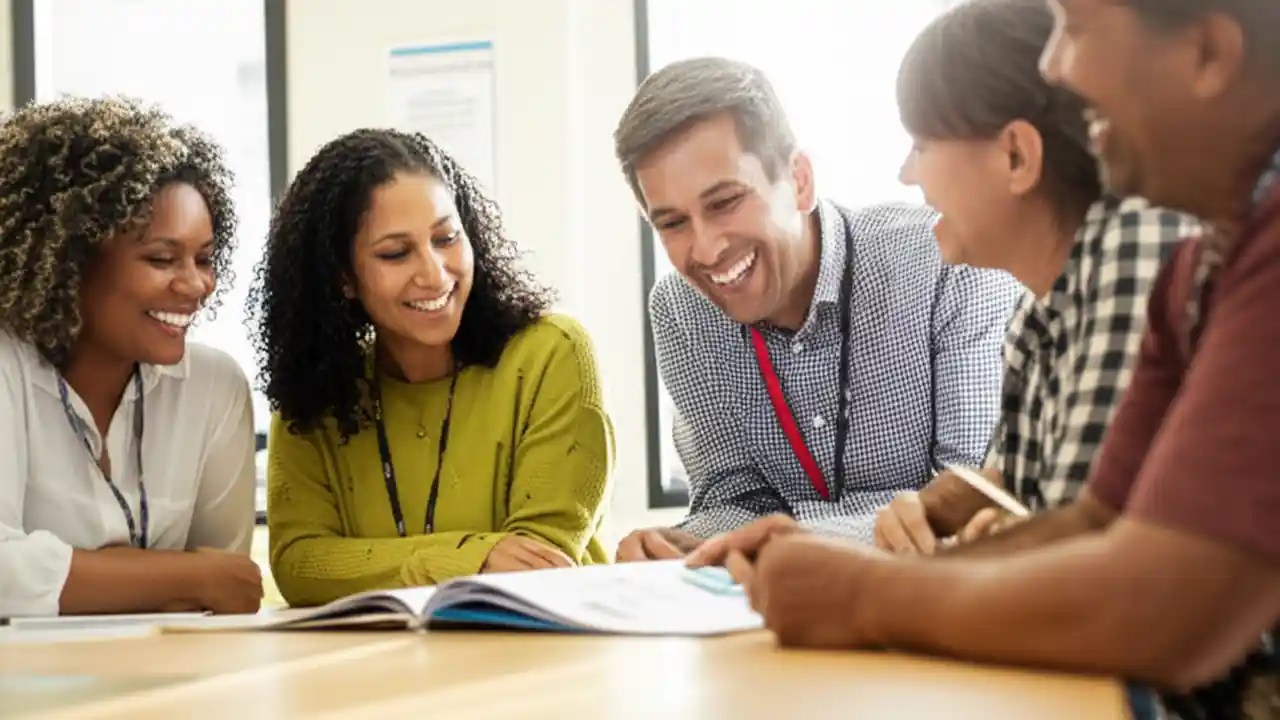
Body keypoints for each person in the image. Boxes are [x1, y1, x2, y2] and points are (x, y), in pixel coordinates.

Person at [689, 0, 1280, 716]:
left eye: (1077, 30)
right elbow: (1093, 525)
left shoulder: (1179, 243)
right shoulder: (1204, 259)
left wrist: (860, 593)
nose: (1054, 63)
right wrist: (857, 568)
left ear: (1208, 54)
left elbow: (1162, 605)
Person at [613, 57, 1023, 561]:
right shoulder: (680, 312)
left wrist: (782, 539)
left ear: (800, 180)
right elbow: (732, 497)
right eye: (673, 223)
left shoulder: (948, 259)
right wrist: (690, 542)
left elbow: (962, 499)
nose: (705, 248)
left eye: (724, 202)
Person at [873, 0, 1196, 554]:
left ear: (1017, 156)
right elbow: (1034, 515)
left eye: (922, 145)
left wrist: (855, 583)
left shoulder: (1139, 241)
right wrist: (952, 507)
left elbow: (1078, 567)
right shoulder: (1034, 319)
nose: (907, 174)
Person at [252, 129, 613, 608]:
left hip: (543, 657)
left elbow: (537, 567)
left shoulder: (552, 354)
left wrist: (379, 566)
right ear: (343, 276)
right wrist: (472, 558)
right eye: (395, 253)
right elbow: (301, 565)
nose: (435, 273)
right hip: (375, 669)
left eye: (446, 238)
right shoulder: (319, 390)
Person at [0, 97, 262, 617]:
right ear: (71, 263)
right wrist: (183, 577)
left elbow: (231, 586)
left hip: (164, 680)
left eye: (205, 258)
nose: (196, 285)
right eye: (161, 259)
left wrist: (82, 575)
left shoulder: (214, 388)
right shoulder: (8, 366)